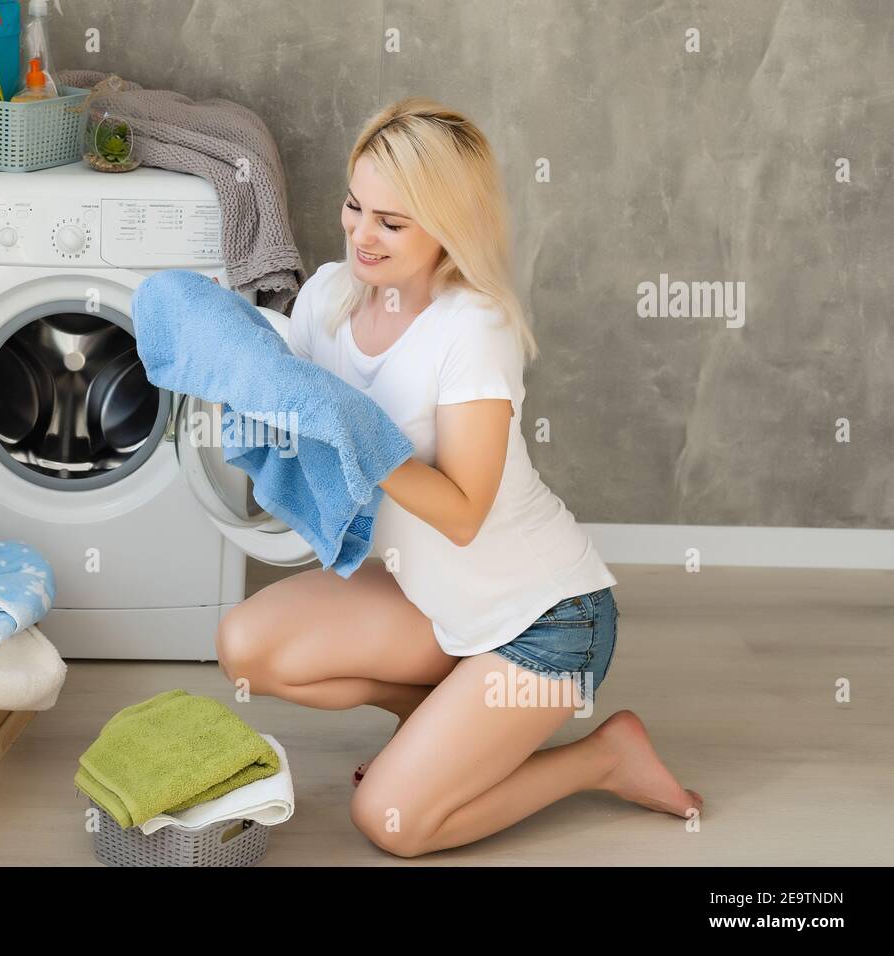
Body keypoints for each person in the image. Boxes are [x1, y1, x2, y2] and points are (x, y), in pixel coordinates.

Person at [215, 98, 702, 858]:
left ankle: (601, 758)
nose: (360, 234)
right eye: (354, 204)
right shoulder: (328, 300)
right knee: (247, 645)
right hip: (430, 600)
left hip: (544, 623)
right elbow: (300, 433)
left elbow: (465, 512)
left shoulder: (474, 329)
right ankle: (449, 722)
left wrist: (356, 432)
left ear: (449, 225)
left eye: (392, 222)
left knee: (392, 822)